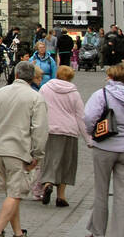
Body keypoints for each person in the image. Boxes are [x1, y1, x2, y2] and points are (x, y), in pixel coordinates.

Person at [0, 61, 48, 237]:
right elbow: (40, 129)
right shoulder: (35, 98)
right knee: (16, 193)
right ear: (32, 78)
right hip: (18, 150)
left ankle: (18, 234)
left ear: (16, 75)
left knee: (12, 193)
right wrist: (37, 154)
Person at [83, 64, 124, 237]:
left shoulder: (102, 94)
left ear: (112, 77)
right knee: (123, 194)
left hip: (105, 145)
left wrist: (93, 132)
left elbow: (88, 117)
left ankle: (98, 233)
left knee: (101, 191)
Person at [35, 65, 87, 207]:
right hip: (69, 131)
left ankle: (48, 183)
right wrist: (88, 138)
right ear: (71, 77)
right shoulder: (74, 93)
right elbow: (81, 116)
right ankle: (61, 196)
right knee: (66, 163)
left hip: (49, 129)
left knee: (49, 159)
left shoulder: (45, 88)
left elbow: (38, 107)